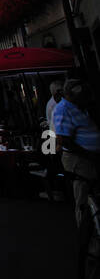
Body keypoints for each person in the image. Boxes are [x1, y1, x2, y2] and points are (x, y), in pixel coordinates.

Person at [52, 79, 99, 225]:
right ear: (71, 95)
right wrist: (88, 154)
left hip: (88, 158)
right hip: (79, 160)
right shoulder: (64, 109)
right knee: (83, 197)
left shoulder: (78, 106)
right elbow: (64, 139)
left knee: (90, 194)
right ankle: (88, 239)